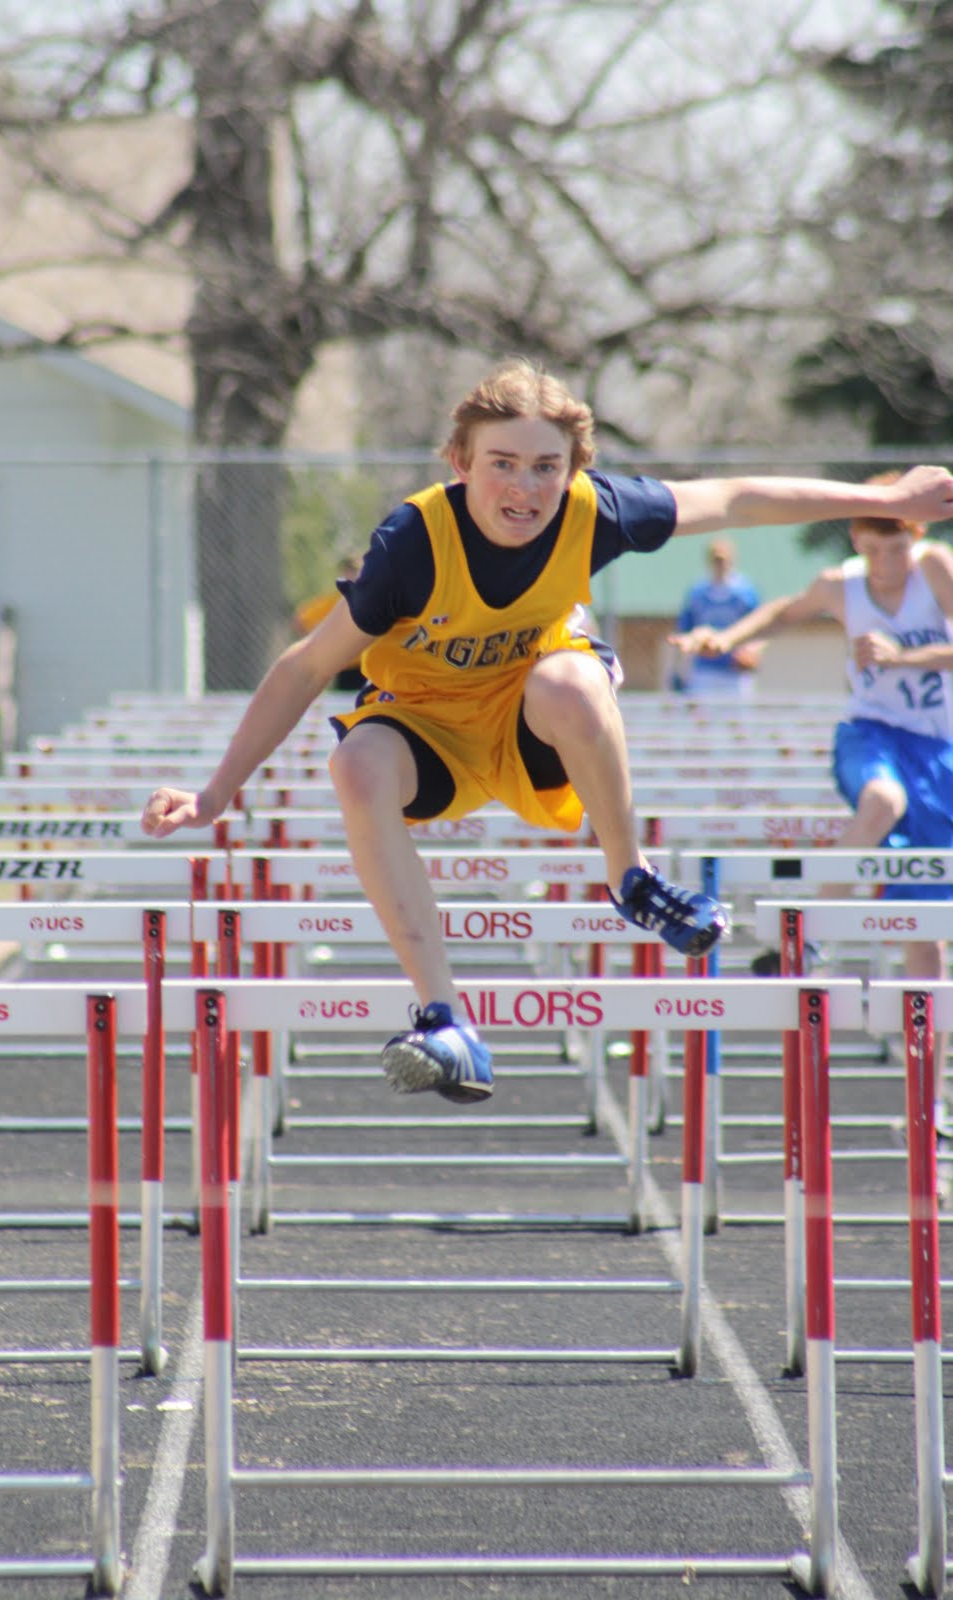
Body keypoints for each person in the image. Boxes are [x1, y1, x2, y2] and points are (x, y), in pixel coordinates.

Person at [141, 361, 953, 1106]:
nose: (524, 488)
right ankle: (443, 1018)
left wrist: (884, 503)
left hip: (535, 717)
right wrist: (216, 793)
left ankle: (630, 876)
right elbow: (304, 667)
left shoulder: (594, 512)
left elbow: (737, 497)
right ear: (458, 462)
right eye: (502, 464)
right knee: (354, 763)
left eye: (544, 466)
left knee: (568, 677)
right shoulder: (411, 545)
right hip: (428, 727)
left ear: (572, 471)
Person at [671, 469, 953, 1130]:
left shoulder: (935, 571)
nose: (884, 565)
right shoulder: (840, 585)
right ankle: (814, 934)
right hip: (870, 736)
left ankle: (929, 1102)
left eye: (895, 550)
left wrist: (903, 658)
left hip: (938, 757)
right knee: (879, 802)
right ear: (855, 539)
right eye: (871, 549)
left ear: (915, 539)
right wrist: (729, 637)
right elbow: (783, 610)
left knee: (927, 944)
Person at [669, 538, 763, 696]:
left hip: (735, 671)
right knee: (703, 719)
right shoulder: (698, 594)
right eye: (716, 559)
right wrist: (679, 668)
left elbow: (759, 627)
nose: (720, 564)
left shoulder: (745, 593)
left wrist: (752, 651)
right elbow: (685, 631)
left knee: (736, 720)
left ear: (732, 560)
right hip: (705, 669)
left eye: (723, 559)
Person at [293, 555, 365, 691]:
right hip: (347, 665)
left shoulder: (371, 598)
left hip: (367, 663)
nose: (351, 575)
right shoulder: (334, 601)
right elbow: (301, 620)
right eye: (348, 571)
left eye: (355, 570)